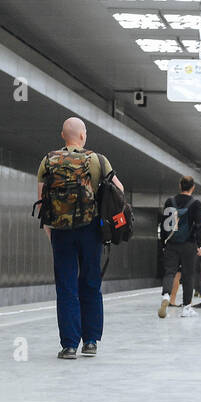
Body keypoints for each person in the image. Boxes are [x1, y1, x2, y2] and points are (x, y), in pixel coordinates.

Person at [36, 117, 122, 359]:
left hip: (61, 231)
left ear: (63, 135)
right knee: (90, 284)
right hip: (90, 229)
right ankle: (91, 341)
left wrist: (50, 228)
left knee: (66, 287)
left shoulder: (48, 160)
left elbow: (42, 200)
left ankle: (69, 345)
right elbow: (120, 190)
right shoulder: (97, 160)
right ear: (83, 136)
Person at [159, 175, 201, 318]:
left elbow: (164, 224)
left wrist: (164, 242)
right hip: (188, 244)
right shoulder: (196, 203)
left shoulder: (169, 201)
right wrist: (200, 244)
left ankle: (166, 295)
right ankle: (186, 308)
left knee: (169, 272)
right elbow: (199, 225)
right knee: (188, 275)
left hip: (171, 243)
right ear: (193, 187)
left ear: (180, 186)